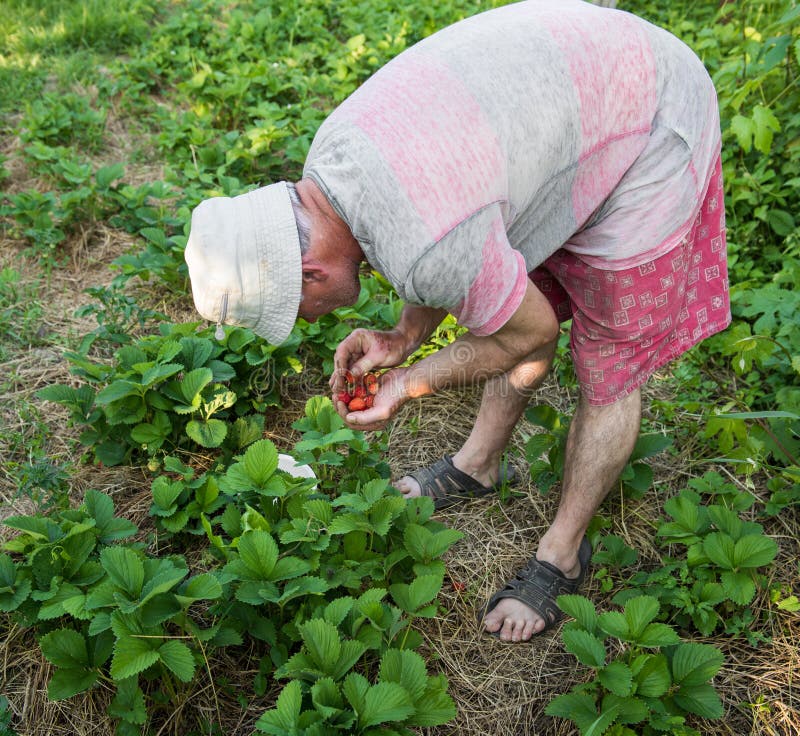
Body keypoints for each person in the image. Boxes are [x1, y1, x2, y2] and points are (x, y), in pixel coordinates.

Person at [185, 0, 730, 643]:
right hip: (572, 81)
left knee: (607, 361)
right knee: (517, 292)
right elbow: (453, 226)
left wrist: (405, 383)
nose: (306, 320)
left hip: (648, 114)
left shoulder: (423, 246)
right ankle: (479, 464)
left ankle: (563, 552)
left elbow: (523, 332)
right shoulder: (330, 164)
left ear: (309, 272)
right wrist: (403, 336)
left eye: (294, 309)